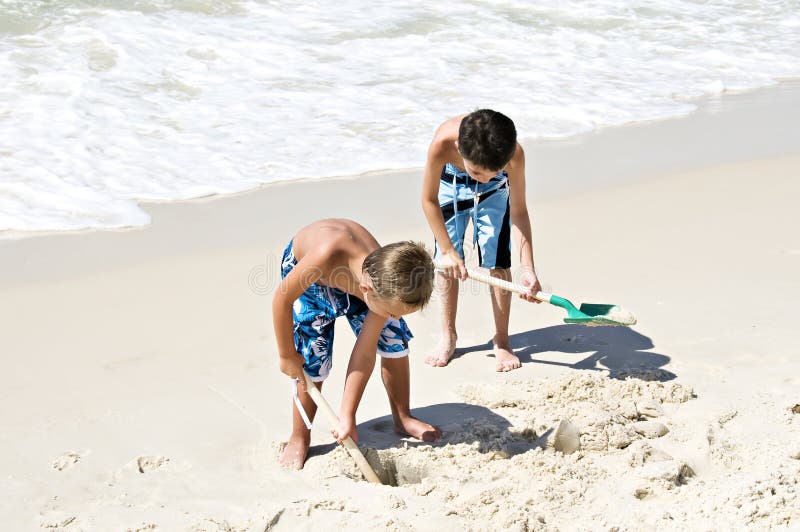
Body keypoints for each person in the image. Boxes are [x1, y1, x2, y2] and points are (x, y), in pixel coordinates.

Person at [273, 218, 441, 469]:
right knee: (312, 359)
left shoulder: (387, 282)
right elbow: (281, 300)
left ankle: (402, 416)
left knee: (393, 338)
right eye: (393, 312)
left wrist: (347, 415)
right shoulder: (324, 255)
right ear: (367, 290)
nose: (394, 317)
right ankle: (299, 436)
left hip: (364, 286)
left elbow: (364, 353)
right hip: (311, 284)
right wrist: (286, 354)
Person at [420, 109, 542, 372]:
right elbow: (428, 199)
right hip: (451, 182)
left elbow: (519, 212)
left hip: (496, 191)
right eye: (478, 173)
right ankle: (448, 335)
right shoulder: (443, 143)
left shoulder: (513, 156)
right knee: (446, 264)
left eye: (492, 171)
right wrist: (448, 250)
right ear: (457, 148)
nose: (482, 179)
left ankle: (502, 339)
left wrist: (528, 268)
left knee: (497, 257)